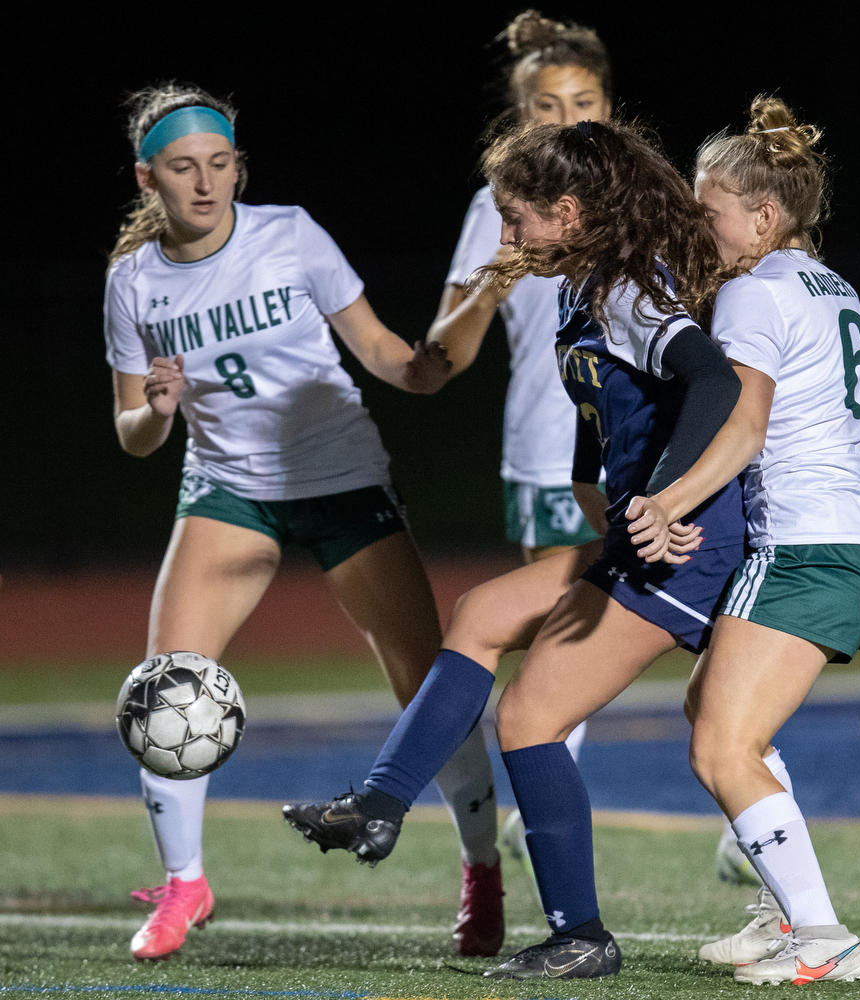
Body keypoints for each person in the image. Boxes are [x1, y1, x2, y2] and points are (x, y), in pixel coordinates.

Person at [284, 118, 748, 980]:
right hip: (643, 531)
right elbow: (601, 409)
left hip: (690, 541)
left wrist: (662, 497)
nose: (504, 236)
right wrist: (599, 487)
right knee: (481, 612)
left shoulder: (625, 287)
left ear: (568, 213)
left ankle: (582, 934)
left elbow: (713, 380)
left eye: (514, 218)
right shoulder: (582, 289)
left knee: (531, 717)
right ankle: (380, 804)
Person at [103, 83, 504, 961]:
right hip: (228, 490)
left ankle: (483, 870)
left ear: (237, 166)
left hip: (342, 479)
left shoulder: (288, 234)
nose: (206, 183)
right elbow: (133, 432)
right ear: (147, 178)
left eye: (220, 163)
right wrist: (157, 411)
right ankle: (184, 885)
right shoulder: (132, 282)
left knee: (426, 691)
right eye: (184, 167)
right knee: (167, 684)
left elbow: (382, 351)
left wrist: (430, 364)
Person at [671, 96, 860, 985]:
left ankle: (823, 937)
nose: (700, 229)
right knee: (710, 710)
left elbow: (745, 429)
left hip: (811, 542)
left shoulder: (753, 290)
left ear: (765, 216)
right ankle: (785, 914)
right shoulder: (830, 284)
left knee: (720, 747)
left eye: (709, 212)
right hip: (855, 536)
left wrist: (671, 501)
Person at [427, 8, 612, 870]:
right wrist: (488, 287)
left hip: (653, 450)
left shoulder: (647, 192)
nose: (568, 119)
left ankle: (752, 790)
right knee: (567, 636)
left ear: (609, 106)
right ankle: (546, 813)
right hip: (552, 450)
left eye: (584, 101)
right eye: (547, 105)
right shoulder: (497, 207)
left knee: (707, 614)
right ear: (520, 115)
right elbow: (449, 346)